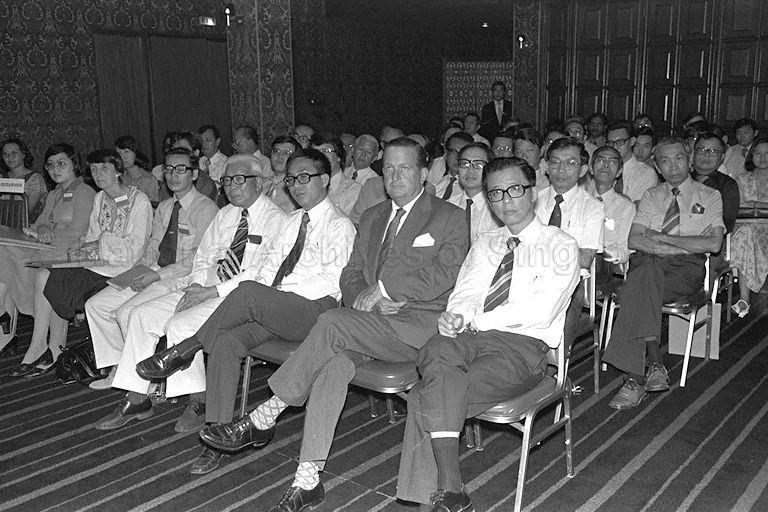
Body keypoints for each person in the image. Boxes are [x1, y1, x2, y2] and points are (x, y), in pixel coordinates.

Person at [195, 138, 469, 512]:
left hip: (416, 327)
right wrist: (362, 297)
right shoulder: (372, 217)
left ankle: (266, 413)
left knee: (331, 321)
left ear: (424, 173)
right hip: (364, 323)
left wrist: (383, 290)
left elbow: (445, 273)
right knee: (331, 368)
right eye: (388, 167)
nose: (394, 175)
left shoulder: (449, 217)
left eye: (404, 168)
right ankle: (307, 479)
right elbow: (350, 273)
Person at [141, 148, 356, 474]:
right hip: (277, 306)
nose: (296, 186)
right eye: (290, 179)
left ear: (324, 180)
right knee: (227, 341)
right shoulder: (291, 221)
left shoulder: (340, 225)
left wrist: (276, 295)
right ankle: (216, 435)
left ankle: (188, 348)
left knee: (249, 292)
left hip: (315, 311)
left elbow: (334, 280)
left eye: (304, 178)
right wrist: (271, 295)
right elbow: (270, 266)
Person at [396, 157, 580, 511]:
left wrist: (478, 318)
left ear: (533, 193)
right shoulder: (486, 242)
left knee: (424, 395)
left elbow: (540, 311)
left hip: (522, 349)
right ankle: (450, 493)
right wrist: (458, 316)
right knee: (436, 347)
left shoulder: (561, 245)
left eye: (514, 190)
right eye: (495, 193)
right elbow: (466, 290)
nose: (506, 200)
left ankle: (445, 491)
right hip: (471, 336)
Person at [95, 154, 286, 430]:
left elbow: (261, 273)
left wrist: (211, 291)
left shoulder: (276, 219)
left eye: (240, 179)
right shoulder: (226, 214)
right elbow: (204, 257)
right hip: (202, 286)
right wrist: (197, 285)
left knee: (180, 324)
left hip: (236, 296)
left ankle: (199, 400)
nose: (232, 186)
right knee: (139, 315)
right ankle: (138, 398)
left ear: (260, 182)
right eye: (228, 180)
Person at [603, 137, 724, 409]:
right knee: (645, 276)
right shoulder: (650, 196)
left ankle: (640, 374)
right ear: (657, 166)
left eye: (679, 158)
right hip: (647, 262)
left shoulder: (710, 196)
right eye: (665, 161)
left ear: (690, 159)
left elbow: (713, 244)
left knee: (637, 287)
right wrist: (687, 242)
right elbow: (634, 240)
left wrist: (663, 241)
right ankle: (650, 369)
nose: (673, 166)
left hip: (685, 269)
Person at [84, 147, 218, 394]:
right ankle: (117, 365)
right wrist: (137, 271)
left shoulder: (205, 208)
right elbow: (154, 246)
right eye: (168, 169)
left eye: (181, 169)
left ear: (195, 173)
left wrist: (154, 276)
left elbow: (197, 259)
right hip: (155, 268)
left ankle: (144, 380)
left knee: (126, 312)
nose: (173, 175)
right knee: (97, 305)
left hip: (181, 276)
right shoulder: (166, 206)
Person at [14, 149, 152, 377]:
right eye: (94, 170)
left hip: (125, 267)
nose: (98, 175)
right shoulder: (100, 198)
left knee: (57, 280)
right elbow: (91, 237)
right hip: (97, 264)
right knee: (48, 275)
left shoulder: (139, 201)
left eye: (104, 169)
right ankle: (46, 347)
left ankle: (56, 347)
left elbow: (134, 249)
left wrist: (97, 244)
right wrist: (83, 246)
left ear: (118, 171)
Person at [0, 143, 95, 362]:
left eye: (61, 163)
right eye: (50, 165)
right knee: (3, 252)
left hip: (70, 252)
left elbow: (78, 230)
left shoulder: (84, 191)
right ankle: (3, 316)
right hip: (48, 248)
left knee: (18, 261)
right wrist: (42, 228)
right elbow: (42, 222)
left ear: (75, 165)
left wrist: (46, 232)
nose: (55, 169)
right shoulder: (54, 193)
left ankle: (35, 340)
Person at [585, 146, 637, 280]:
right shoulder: (580, 200)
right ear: (591, 168)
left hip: (605, 269)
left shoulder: (626, 207)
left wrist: (602, 252)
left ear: (619, 171)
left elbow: (625, 249)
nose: (606, 164)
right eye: (601, 160)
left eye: (612, 161)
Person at [731, 138, 768, 318]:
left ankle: (745, 300)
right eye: (758, 153)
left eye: (767, 154)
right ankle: (744, 298)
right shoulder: (742, 179)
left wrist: (756, 204)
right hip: (745, 226)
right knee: (745, 234)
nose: (763, 157)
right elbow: (738, 208)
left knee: (746, 235)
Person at [447, 143, 502, 243]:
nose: (470, 170)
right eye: (465, 163)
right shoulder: (448, 206)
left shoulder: (498, 208)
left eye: (478, 164)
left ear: (490, 168)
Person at [690, 132, 740, 236]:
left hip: (710, 241)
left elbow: (728, 222)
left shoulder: (728, 185)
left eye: (714, 151)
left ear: (722, 157)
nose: (706, 154)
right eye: (702, 149)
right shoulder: (681, 179)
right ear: (693, 153)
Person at [606, 121, 659, 204]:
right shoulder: (603, 169)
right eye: (611, 143)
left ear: (632, 141)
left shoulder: (645, 173)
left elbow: (632, 208)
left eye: (620, 142)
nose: (615, 147)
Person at [311, 132, 361, 215]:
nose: (320, 157)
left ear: (338, 156)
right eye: (315, 153)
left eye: (325, 151)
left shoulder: (353, 189)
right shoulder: (306, 186)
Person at [1, 137, 47, 223]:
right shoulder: (1, 178)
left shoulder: (35, 178)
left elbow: (27, 211)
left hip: (24, 226)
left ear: (24, 154)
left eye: (14, 153)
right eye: (5, 154)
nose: (9, 157)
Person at [114, 135, 158, 204]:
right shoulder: (119, 178)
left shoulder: (149, 179)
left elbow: (153, 207)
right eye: (119, 153)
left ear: (136, 153)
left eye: (126, 152)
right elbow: (119, 204)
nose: (122, 157)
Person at [266, 135, 301, 213]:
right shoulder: (262, 185)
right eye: (276, 151)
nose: (280, 156)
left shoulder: (298, 188)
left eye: (287, 153)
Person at [434, 132, 473, 200]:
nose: (458, 158)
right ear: (446, 154)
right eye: (453, 152)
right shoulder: (436, 186)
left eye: (462, 153)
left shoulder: (473, 188)